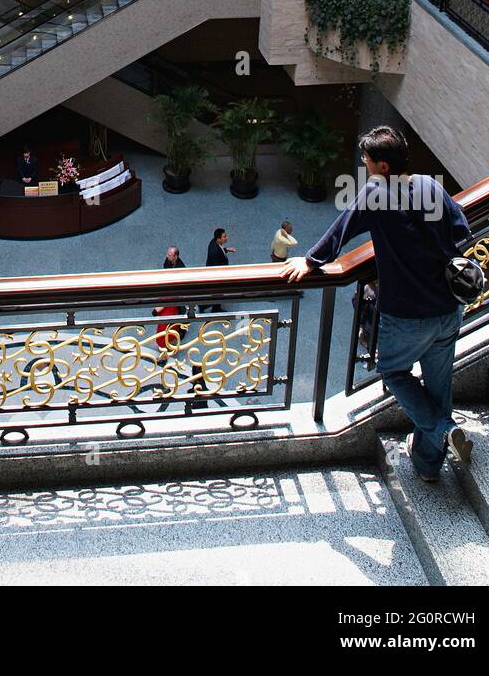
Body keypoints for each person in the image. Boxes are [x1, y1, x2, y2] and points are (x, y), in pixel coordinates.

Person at [282, 125, 474, 483]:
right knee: (438, 384)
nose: (364, 163)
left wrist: (309, 261)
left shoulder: (376, 194)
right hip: (448, 308)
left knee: (393, 372)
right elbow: (462, 232)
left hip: (407, 313)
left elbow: (340, 232)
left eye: (367, 159)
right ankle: (427, 464)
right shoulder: (431, 186)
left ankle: (442, 427)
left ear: (383, 166)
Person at [199, 228, 236, 313]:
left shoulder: (214, 243)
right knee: (218, 292)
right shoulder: (214, 251)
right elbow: (217, 266)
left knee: (217, 292)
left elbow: (220, 251)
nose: (226, 238)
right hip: (217, 275)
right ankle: (208, 306)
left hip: (215, 272)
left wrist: (226, 250)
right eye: (224, 236)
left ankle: (209, 306)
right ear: (218, 239)